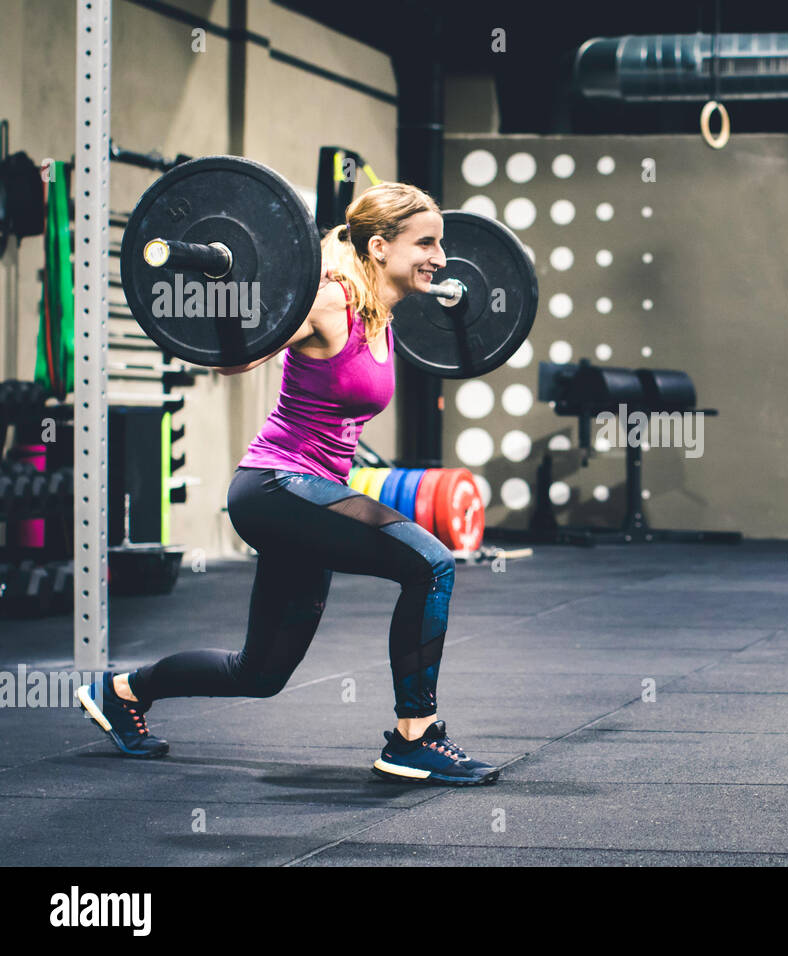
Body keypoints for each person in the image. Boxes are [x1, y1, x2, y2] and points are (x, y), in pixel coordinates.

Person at [77, 181, 498, 786]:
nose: (439, 256)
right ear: (379, 246)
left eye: (442, 243)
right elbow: (236, 357)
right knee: (430, 563)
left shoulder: (382, 313)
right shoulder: (330, 301)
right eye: (426, 242)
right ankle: (416, 737)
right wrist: (229, 288)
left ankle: (122, 692)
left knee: (260, 673)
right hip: (278, 485)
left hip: (309, 496)